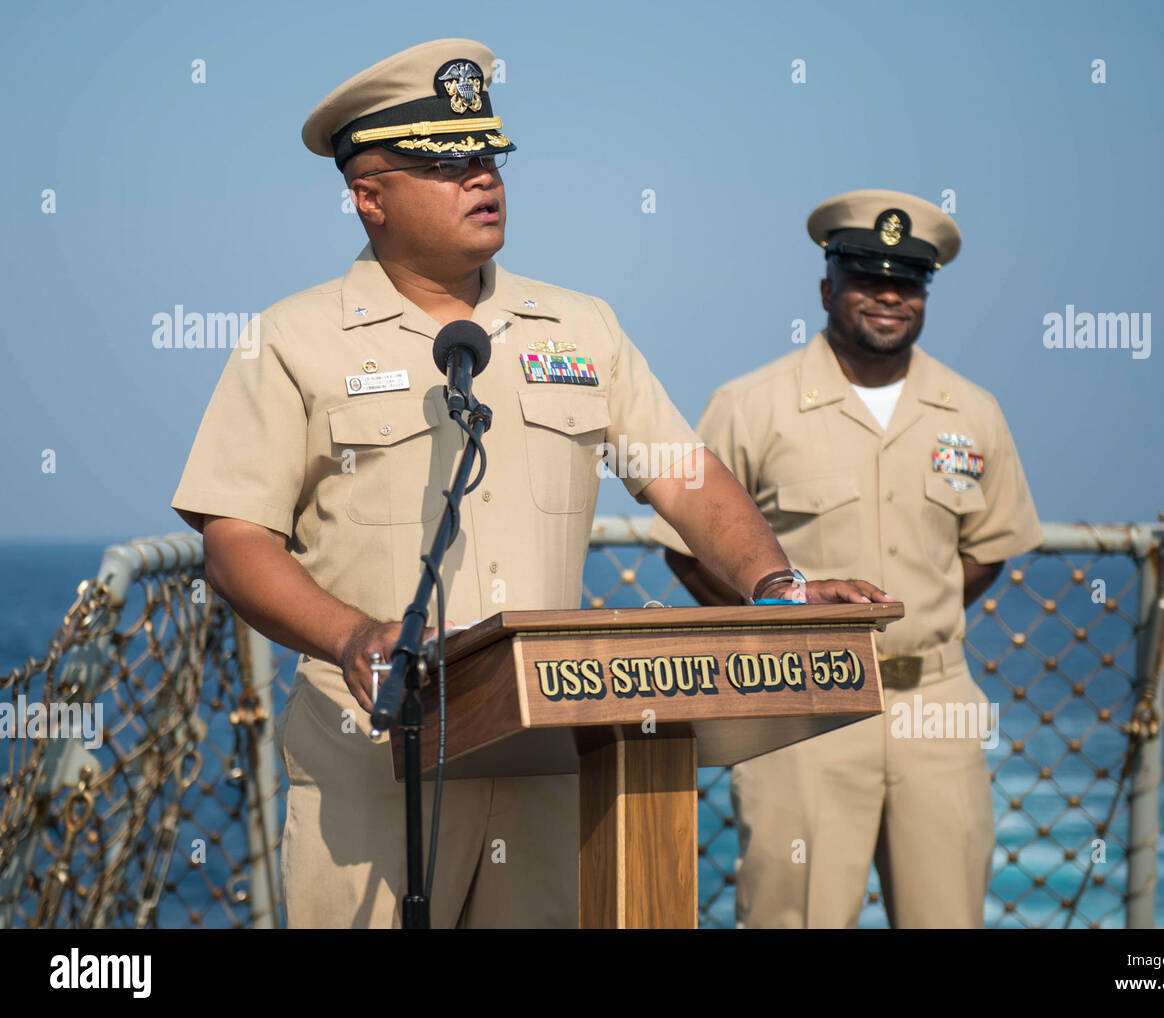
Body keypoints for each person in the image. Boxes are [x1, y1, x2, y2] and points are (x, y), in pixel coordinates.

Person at [170, 40, 891, 928]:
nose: (483, 177)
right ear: (368, 196)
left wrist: (777, 588)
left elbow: (683, 475)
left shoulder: (580, 324)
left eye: (489, 155)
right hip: (377, 757)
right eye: (448, 161)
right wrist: (354, 635)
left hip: (551, 749)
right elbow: (237, 541)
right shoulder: (291, 339)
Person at [650, 190, 1042, 928]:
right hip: (803, 707)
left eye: (909, 281)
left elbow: (987, 549)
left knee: (948, 916)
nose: (889, 296)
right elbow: (688, 548)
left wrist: (919, 619)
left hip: (937, 706)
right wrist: (779, 631)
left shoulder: (974, 410)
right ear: (827, 286)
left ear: (925, 293)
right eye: (867, 276)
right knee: (792, 915)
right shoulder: (751, 404)